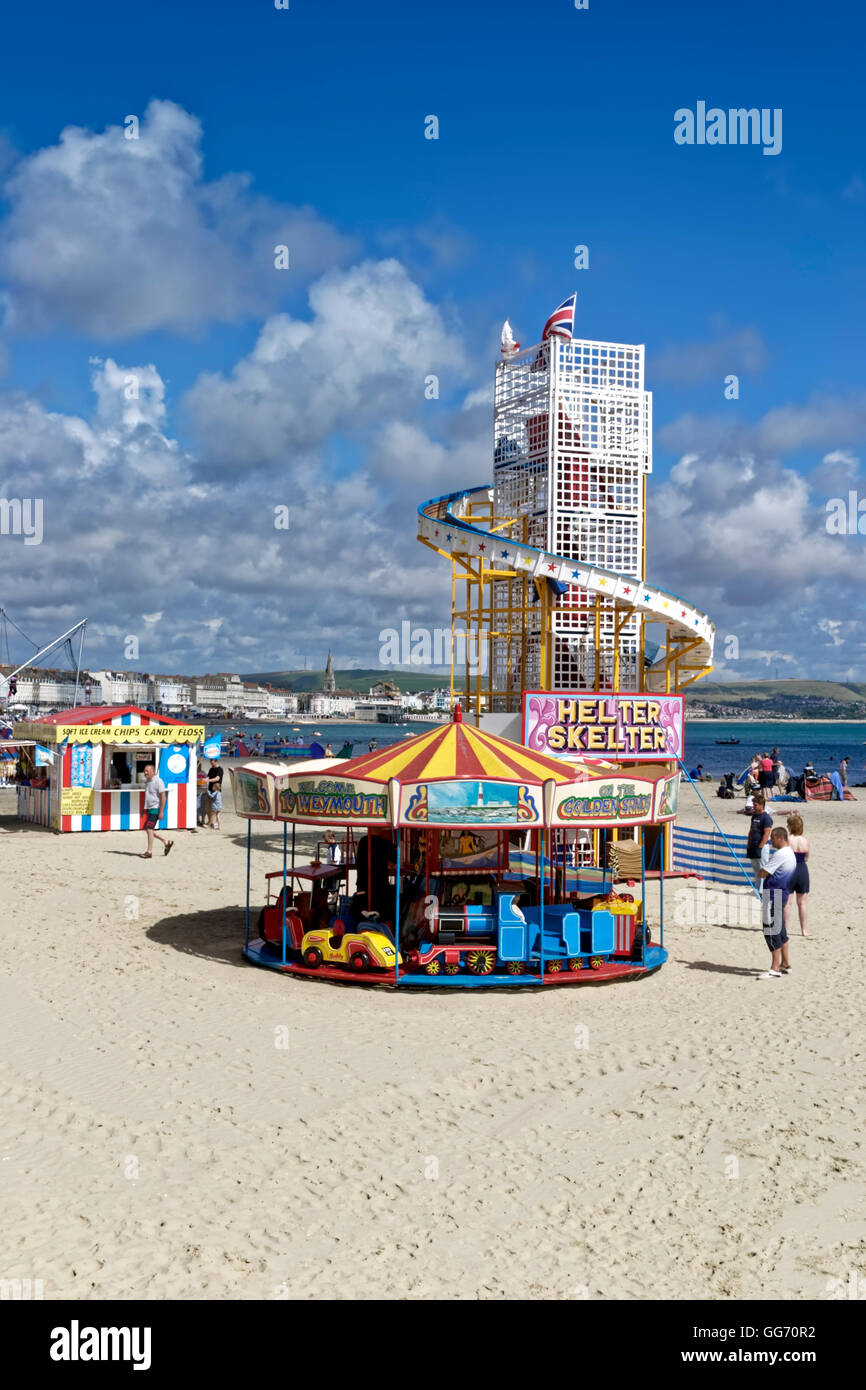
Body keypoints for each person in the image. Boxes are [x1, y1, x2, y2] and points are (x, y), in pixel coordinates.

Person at [757, 827, 796, 978]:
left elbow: (763, 872)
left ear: (781, 838)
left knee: (771, 930)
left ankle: (775, 969)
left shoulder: (780, 854)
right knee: (780, 929)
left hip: (774, 895)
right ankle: (785, 963)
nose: (770, 841)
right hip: (782, 893)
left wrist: (762, 870)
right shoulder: (790, 852)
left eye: (772, 838)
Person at [784, 812, 811, 938]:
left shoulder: (788, 840)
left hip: (790, 870)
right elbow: (806, 858)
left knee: (788, 903)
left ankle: (785, 929)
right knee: (802, 903)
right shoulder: (806, 841)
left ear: (791, 827)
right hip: (802, 870)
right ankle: (804, 930)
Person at [141, 764, 173, 859]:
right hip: (149, 808)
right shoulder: (147, 781)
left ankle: (149, 852)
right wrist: (144, 808)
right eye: (144, 771)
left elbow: (163, 797)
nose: (145, 773)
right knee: (147, 829)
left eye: (147, 771)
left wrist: (161, 812)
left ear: (153, 771)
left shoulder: (158, 781)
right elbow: (147, 796)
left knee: (149, 829)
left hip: (156, 808)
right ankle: (166, 842)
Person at [746, 793, 773, 886]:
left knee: (763, 868)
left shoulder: (766, 817)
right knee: (755, 868)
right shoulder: (754, 816)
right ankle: (757, 889)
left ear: (761, 805)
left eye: (755, 805)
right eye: (753, 804)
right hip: (753, 845)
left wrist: (760, 846)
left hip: (762, 846)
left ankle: (763, 890)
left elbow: (767, 833)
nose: (753, 806)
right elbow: (751, 830)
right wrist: (748, 843)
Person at [206, 760, 223, 829]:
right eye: (210, 761)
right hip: (210, 789)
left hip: (215, 790)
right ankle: (212, 823)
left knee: (213, 811)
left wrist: (208, 780)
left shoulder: (220, 769)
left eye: (212, 762)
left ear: (216, 761)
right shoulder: (211, 769)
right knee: (209, 808)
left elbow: (217, 778)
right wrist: (205, 779)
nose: (211, 763)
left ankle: (210, 824)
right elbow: (208, 776)